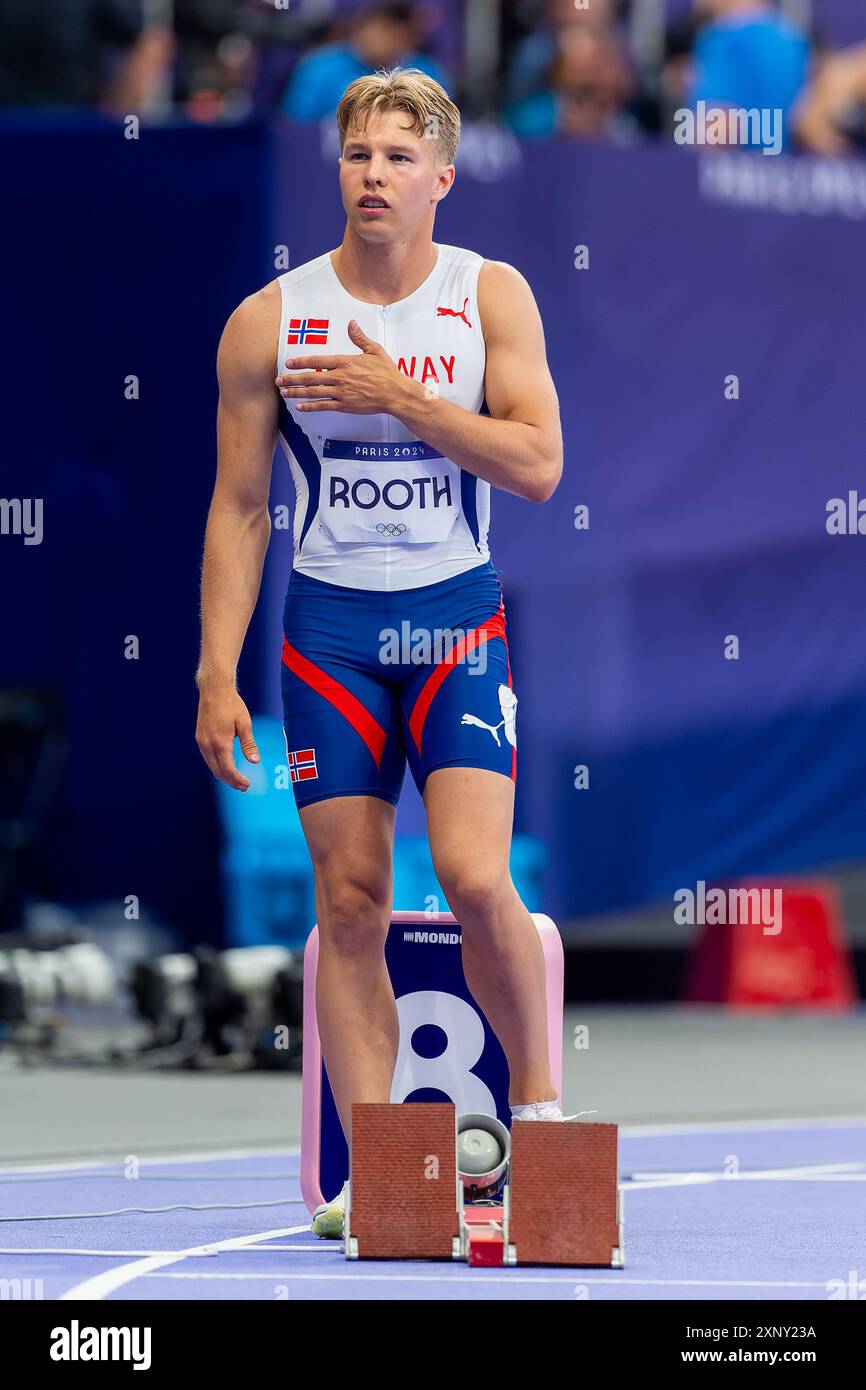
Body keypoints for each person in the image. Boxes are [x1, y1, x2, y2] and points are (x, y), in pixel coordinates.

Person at [195, 67, 564, 1240]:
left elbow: (537, 464)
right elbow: (238, 509)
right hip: (331, 634)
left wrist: (398, 396)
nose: (374, 175)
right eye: (358, 155)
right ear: (336, 170)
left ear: (441, 179)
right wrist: (213, 667)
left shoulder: (489, 297)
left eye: (399, 158)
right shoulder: (270, 318)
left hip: (454, 618)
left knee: (467, 876)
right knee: (349, 901)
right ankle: (383, 1168)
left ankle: (545, 1122)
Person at [281, 2, 448, 122]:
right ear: (363, 27)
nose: (387, 40)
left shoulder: (427, 74)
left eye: (397, 34)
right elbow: (295, 126)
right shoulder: (320, 67)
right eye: (383, 30)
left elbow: (438, 131)